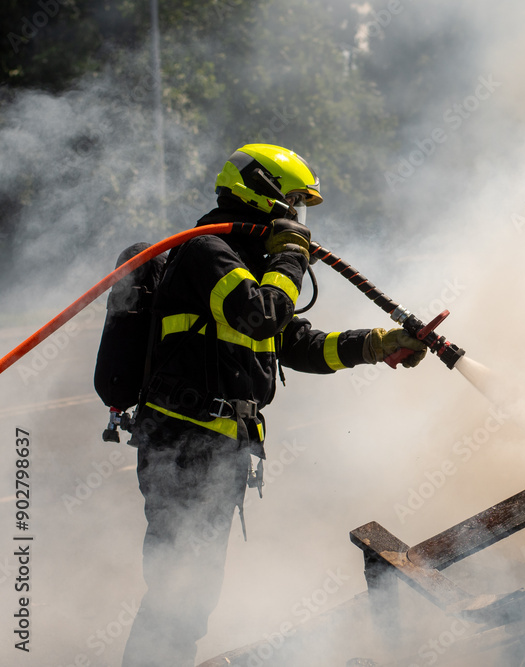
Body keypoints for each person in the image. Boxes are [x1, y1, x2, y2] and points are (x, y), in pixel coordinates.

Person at [120, 144, 426, 666]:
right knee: (179, 594)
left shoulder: (244, 265)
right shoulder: (206, 252)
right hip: (183, 444)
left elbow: (297, 343)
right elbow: (260, 315)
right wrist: (290, 257)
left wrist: (378, 344)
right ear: (263, 194)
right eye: (294, 202)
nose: (299, 218)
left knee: (191, 595)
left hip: (216, 448)